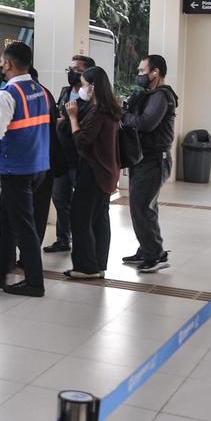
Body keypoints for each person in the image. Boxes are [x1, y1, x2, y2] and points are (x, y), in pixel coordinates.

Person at [0, 42, 49, 297]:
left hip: (17, 168)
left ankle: (35, 282)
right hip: (38, 165)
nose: (0, 65)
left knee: (23, 225)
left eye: (1, 61)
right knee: (8, 219)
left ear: (8, 63)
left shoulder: (7, 94)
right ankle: (2, 269)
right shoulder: (38, 90)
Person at [121, 54, 179, 272]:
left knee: (141, 206)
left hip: (155, 159)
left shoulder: (162, 96)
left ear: (155, 72)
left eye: (142, 71)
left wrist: (123, 115)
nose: (139, 75)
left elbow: (145, 123)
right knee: (143, 206)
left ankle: (155, 255)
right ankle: (147, 249)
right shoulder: (151, 94)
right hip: (144, 158)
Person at [64, 66, 122, 279]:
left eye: (85, 85)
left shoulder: (98, 112)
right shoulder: (111, 110)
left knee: (80, 217)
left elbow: (82, 141)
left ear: (94, 87)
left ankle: (85, 267)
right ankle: (98, 264)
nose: (81, 88)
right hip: (107, 171)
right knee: (98, 219)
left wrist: (72, 118)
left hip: (94, 171)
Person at [45, 55, 95, 253]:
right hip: (61, 156)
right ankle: (63, 238)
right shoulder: (65, 92)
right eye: (70, 68)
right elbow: (60, 115)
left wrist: (66, 120)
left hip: (79, 157)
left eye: (77, 70)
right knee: (59, 199)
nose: (72, 73)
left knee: (81, 203)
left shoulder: (91, 98)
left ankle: (84, 241)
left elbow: (82, 124)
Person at [29, 67, 60, 251]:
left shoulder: (33, 95)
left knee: (35, 210)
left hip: (37, 161)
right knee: (36, 209)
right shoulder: (45, 93)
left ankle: (28, 256)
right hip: (43, 159)